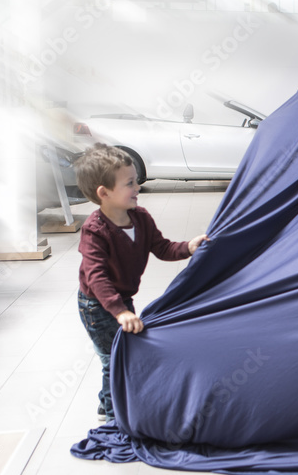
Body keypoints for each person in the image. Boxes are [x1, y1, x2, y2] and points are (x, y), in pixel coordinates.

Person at [75, 143, 208, 422]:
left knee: (119, 353)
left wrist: (188, 247)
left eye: (135, 180)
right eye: (129, 183)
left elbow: (162, 248)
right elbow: (96, 277)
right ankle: (114, 417)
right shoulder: (94, 231)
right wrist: (119, 311)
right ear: (104, 193)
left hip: (121, 300)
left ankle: (106, 403)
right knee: (115, 358)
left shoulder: (141, 218)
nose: (137, 186)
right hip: (97, 305)